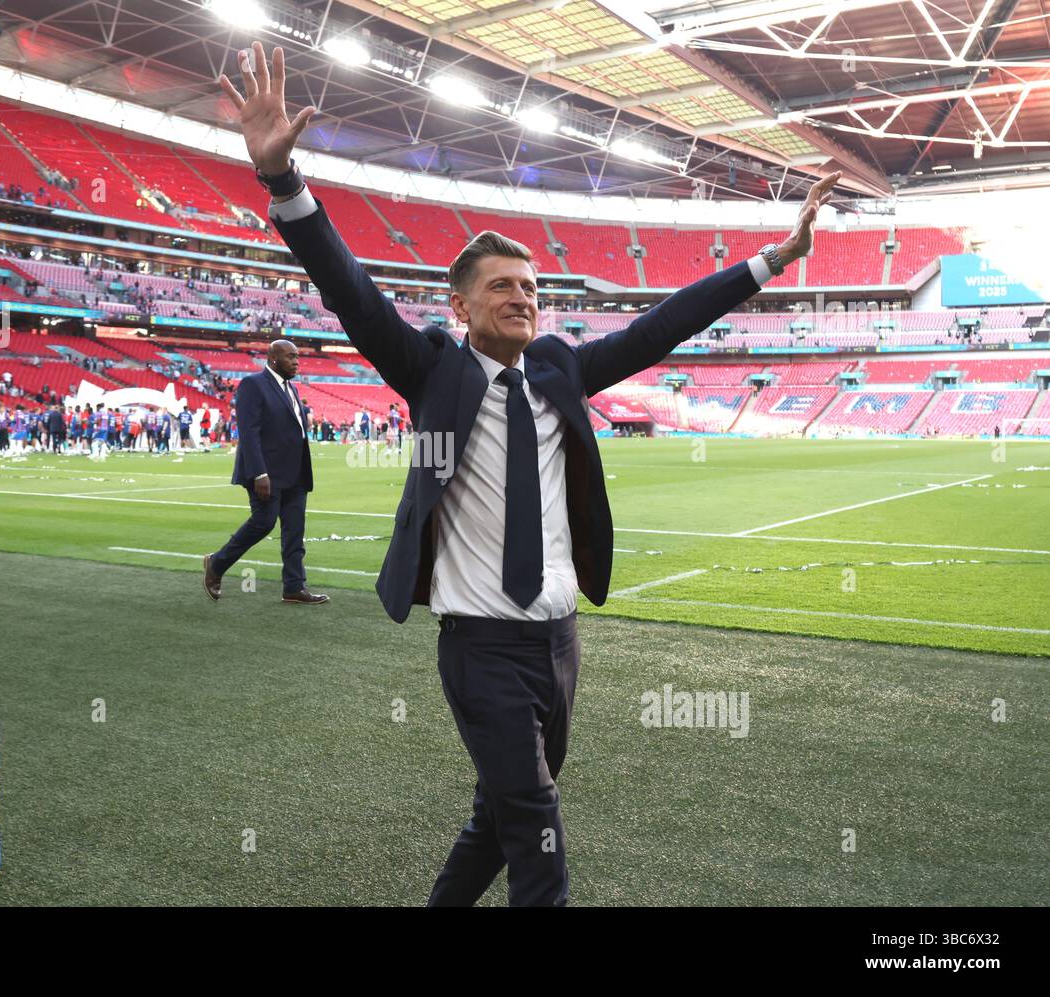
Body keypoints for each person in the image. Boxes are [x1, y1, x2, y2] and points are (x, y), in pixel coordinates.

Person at [218, 40, 837, 906]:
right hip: (480, 646)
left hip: (558, 642)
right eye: (503, 286)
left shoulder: (558, 370)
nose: (524, 298)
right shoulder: (431, 368)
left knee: (501, 822)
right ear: (461, 305)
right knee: (540, 832)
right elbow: (352, 291)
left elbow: (657, 328)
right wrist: (285, 184)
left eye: (532, 287)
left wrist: (772, 260)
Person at [203, 340, 327, 606]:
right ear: (273, 358)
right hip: (267, 473)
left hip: (295, 474)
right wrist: (259, 473)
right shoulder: (253, 384)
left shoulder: (291, 388)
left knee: (295, 531)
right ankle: (216, 563)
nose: (296, 361)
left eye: (297, 357)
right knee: (263, 523)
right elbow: (249, 432)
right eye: (290, 357)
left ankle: (294, 586)